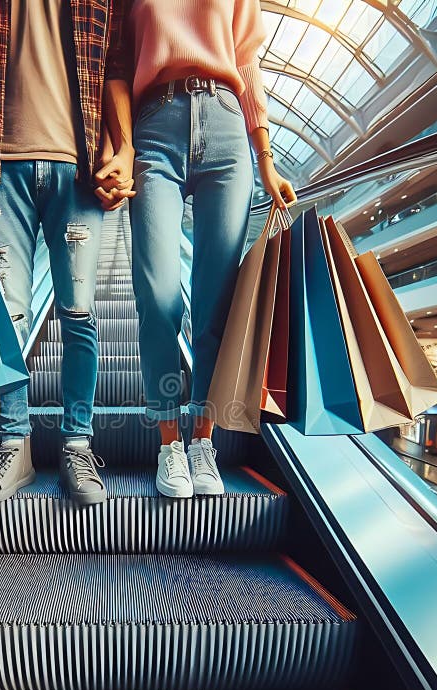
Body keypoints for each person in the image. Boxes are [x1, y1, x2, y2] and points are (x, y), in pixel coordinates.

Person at [97, 0, 296, 498]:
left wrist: (266, 160)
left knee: (217, 302)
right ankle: (169, 444)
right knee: (158, 297)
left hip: (228, 127)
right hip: (154, 126)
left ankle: (204, 442)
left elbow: (246, 62)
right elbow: (115, 67)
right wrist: (118, 146)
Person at [0, 0, 123, 507]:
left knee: (79, 314)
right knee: (8, 318)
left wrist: (116, 148)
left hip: (79, 171)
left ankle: (77, 444)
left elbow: (113, 68)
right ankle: (14, 445)